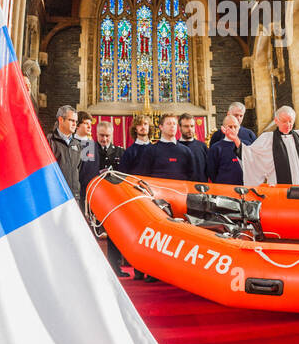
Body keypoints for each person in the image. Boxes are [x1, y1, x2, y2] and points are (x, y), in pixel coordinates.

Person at [223, 106, 299, 186]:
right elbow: (250, 155)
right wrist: (235, 139)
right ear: (276, 121)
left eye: (291, 121)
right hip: (279, 191)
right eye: (284, 121)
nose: (288, 125)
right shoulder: (267, 139)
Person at [79, 120, 126, 276]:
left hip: (113, 199)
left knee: (114, 234)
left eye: (107, 136)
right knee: (92, 232)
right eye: (101, 136)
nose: (104, 139)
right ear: (96, 134)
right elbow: (84, 175)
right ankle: (92, 268)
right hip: (94, 197)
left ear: (112, 135)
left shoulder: (120, 152)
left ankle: (115, 267)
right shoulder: (89, 149)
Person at [119, 112, 195, 180]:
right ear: (161, 127)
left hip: (181, 193)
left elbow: (192, 176)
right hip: (158, 193)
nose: (172, 126)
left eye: (174, 124)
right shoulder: (150, 150)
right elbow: (143, 176)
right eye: (169, 123)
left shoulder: (186, 151)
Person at [49, 105, 84, 204]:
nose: (75, 124)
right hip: (56, 198)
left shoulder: (77, 144)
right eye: (71, 120)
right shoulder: (49, 141)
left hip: (74, 197)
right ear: (61, 120)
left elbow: (78, 169)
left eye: (76, 121)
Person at [207, 114, 244, 184]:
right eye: (230, 127)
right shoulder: (216, 148)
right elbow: (212, 171)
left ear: (239, 128)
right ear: (223, 129)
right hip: (223, 188)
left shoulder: (245, 145)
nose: (233, 129)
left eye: (235, 127)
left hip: (244, 187)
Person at [178, 112, 208, 182]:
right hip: (181, 189)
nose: (190, 129)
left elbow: (209, 170)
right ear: (180, 128)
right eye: (186, 126)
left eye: (192, 126)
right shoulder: (174, 147)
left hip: (200, 188)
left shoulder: (202, 146)